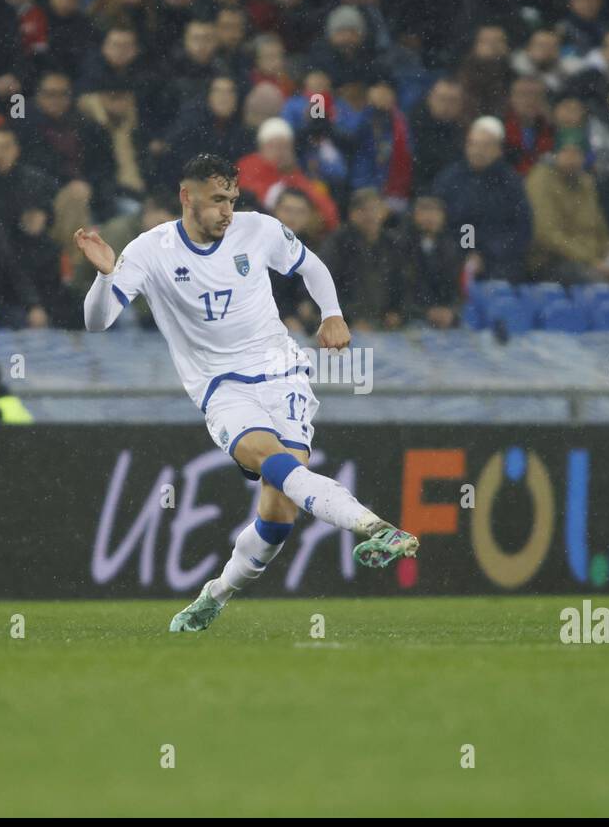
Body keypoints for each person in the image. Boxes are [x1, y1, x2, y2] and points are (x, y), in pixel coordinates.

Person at [75, 153, 420, 633]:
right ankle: (374, 526)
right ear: (187, 196)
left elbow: (311, 266)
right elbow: (96, 322)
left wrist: (332, 313)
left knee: (279, 518)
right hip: (221, 386)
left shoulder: (257, 230)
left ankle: (216, 593)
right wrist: (105, 274)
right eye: (217, 200)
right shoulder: (149, 251)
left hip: (283, 374)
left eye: (232, 200)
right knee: (276, 461)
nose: (226, 211)